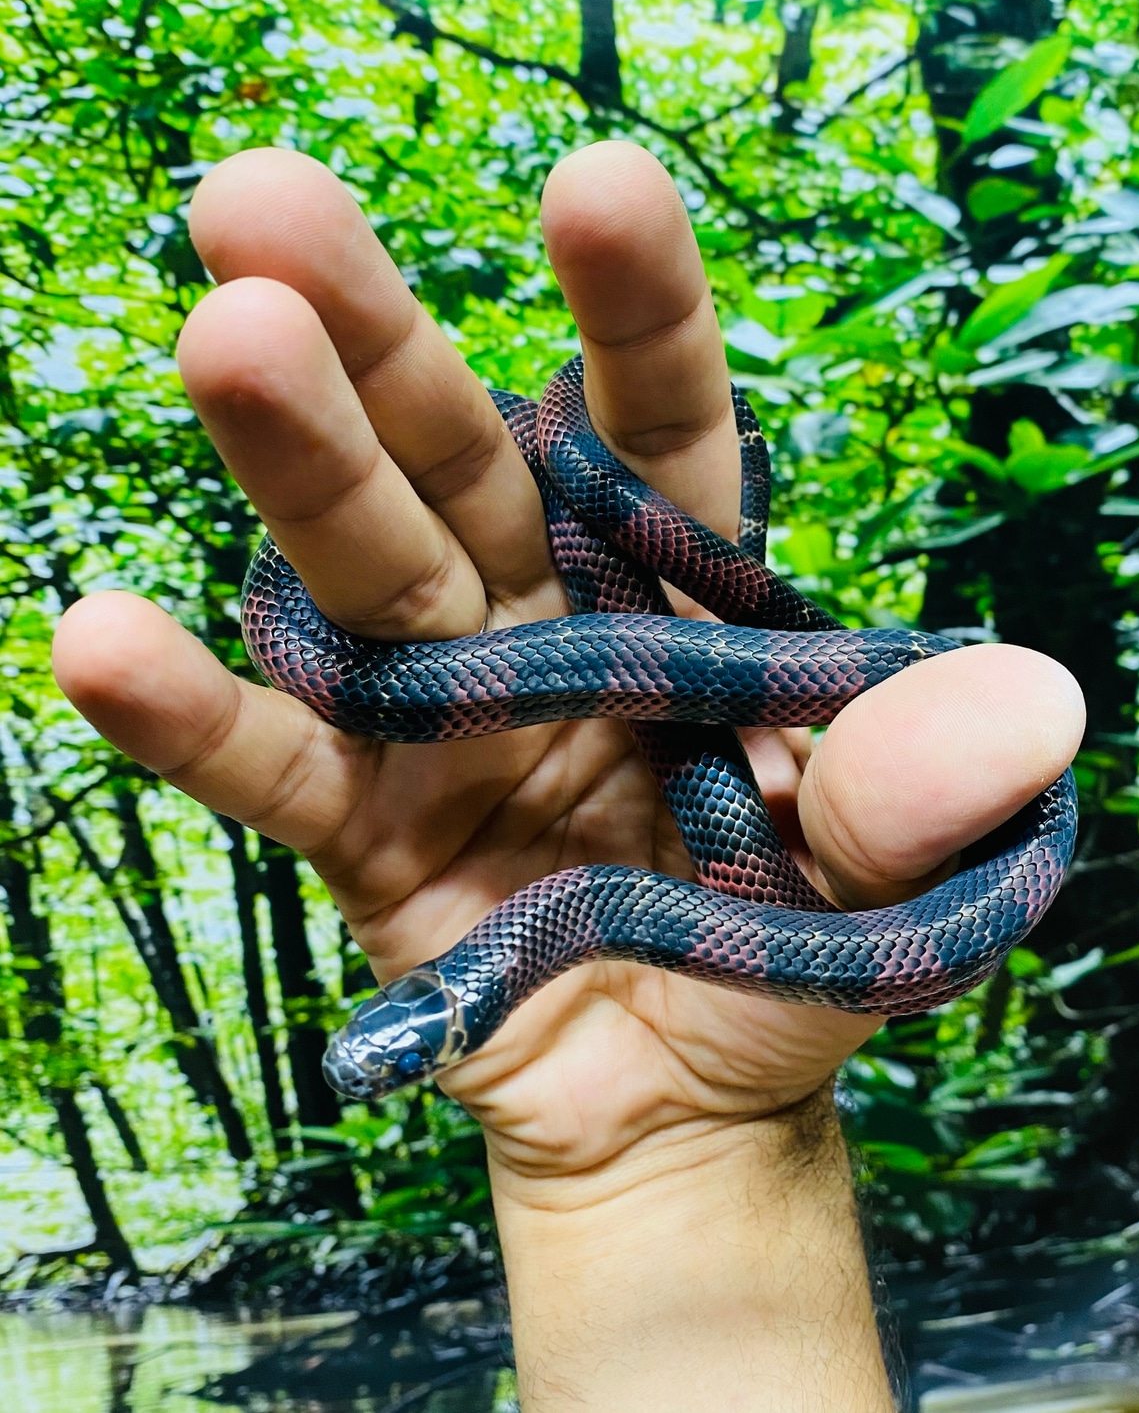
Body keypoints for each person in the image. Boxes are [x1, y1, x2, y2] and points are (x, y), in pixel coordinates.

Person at [52, 141, 1084, 1412]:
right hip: (643, 794)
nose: (388, 1070)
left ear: (464, 1001)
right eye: (403, 1058)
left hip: (655, 740)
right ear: (461, 1005)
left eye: (399, 1055)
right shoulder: (589, 906)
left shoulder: (600, 901)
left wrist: (715, 1132)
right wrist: (692, 1147)